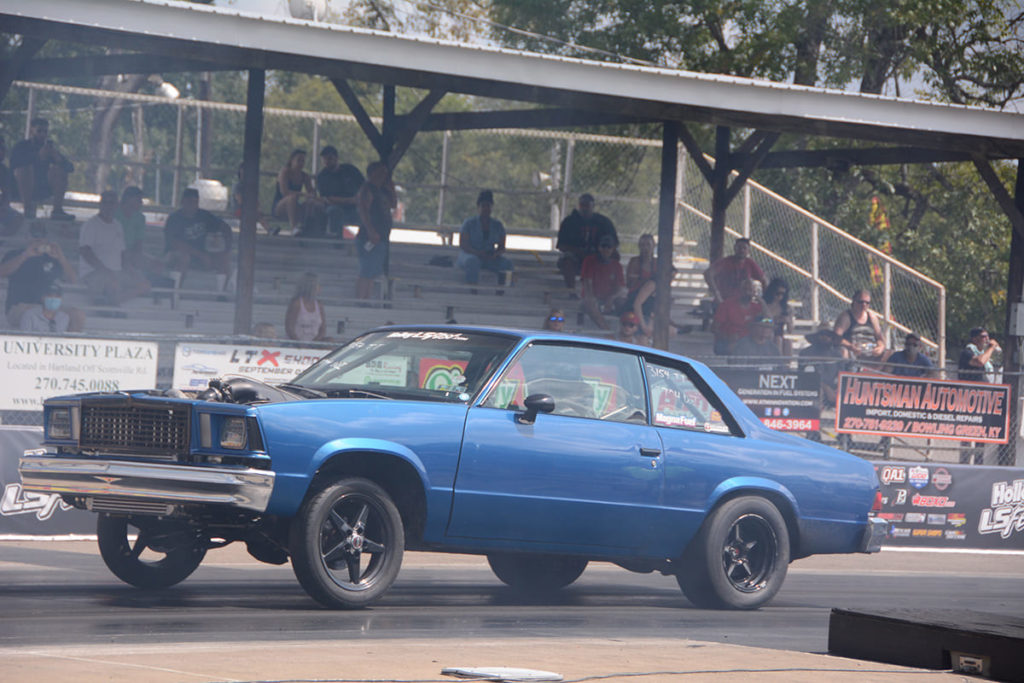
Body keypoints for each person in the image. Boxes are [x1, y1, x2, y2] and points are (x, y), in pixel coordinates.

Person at [0, 225, 83, 330]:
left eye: (41, 236)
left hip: (49, 306)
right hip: (20, 307)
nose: (38, 239)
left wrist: (61, 257)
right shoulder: (14, 254)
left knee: (77, 315)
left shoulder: (53, 258)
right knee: (33, 313)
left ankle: (68, 344)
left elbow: (73, 280)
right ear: (26, 237)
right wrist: (25, 255)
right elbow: (2, 272)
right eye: (34, 236)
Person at [79, 189, 150, 305]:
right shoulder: (90, 225)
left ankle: (112, 303)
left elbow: (123, 253)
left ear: (117, 205)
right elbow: (85, 252)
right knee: (113, 283)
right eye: (105, 203)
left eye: (112, 203)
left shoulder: (118, 225)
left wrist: (131, 271)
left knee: (144, 284)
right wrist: (105, 271)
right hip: (94, 273)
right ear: (100, 205)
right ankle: (112, 308)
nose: (109, 206)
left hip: (117, 272)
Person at [164, 187, 234, 295]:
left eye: (195, 202)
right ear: (183, 202)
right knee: (184, 257)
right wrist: (201, 255)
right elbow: (175, 243)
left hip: (200, 256)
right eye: (189, 201)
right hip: (174, 255)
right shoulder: (174, 218)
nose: (192, 205)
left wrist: (227, 249)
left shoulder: (204, 216)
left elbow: (226, 228)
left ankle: (221, 294)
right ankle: (175, 292)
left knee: (224, 259)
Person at [10, 117, 74, 222]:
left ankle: (57, 210)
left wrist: (58, 159)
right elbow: (15, 165)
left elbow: (70, 168)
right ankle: (28, 210)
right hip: (20, 189)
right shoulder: (21, 146)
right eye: (39, 131)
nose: (42, 134)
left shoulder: (49, 150)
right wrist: (37, 157)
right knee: (24, 170)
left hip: (42, 189)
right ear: (32, 130)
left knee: (59, 170)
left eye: (45, 131)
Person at [556, 193, 618, 293]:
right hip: (576, 258)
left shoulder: (604, 222)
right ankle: (571, 292)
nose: (584, 208)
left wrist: (601, 252)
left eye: (587, 206)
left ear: (593, 206)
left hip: (599, 258)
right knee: (567, 260)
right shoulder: (569, 222)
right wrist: (579, 252)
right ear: (578, 206)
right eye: (582, 205)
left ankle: (607, 292)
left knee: (615, 256)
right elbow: (561, 246)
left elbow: (614, 244)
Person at [355, 161, 396, 300]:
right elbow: (363, 211)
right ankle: (361, 298)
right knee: (366, 269)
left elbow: (393, 204)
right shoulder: (367, 189)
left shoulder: (383, 190)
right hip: (369, 236)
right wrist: (371, 230)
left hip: (382, 236)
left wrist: (391, 189)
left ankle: (367, 297)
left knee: (373, 271)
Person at [456, 190, 513, 287]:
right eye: (483, 206)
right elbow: (463, 245)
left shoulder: (497, 225)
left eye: (488, 206)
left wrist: (495, 254)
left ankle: (503, 290)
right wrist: (477, 253)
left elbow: (502, 247)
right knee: (472, 262)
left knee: (507, 264)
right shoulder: (469, 223)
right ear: (478, 207)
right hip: (470, 254)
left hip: (489, 257)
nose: (486, 209)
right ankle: (472, 290)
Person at [316, 146, 364, 237]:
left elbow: (364, 186)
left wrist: (359, 199)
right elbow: (328, 198)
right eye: (324, 159)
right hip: (334, 207)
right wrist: (350, 200)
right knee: (334, 211)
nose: (327, 161)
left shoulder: (350, 170)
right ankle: (336, 240)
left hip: (355, 207)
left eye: (329, 158)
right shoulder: (322, 176)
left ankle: (365, 239)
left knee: (366, 212)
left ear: (336, 158)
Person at [580, 235, 626, 330]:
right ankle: (607, 331)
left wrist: (611, 299)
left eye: (608, 247)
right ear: (599, 248)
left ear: (613, 249)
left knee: (622, 301)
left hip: (609, 299)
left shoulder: (617, 265)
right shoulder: (589, 260)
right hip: (592, 297)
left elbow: (620, 287)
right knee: (589, 302)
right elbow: (587, 282)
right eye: (603, 246)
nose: (605, 249)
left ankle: (625, 330)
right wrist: (592, 298)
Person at [703, 238, 766, 304]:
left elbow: (764, 280)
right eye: (739, 247)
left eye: (744, 248)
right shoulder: (726, 261)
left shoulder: (750, 263)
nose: (741, 250)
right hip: (725, 300)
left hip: (743, 303)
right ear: (735, 248)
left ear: (748, 251)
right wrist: (716, 293)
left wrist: (765, 299)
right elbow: (708, 274)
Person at [711, 278, 764, 356]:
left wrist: (761, 301)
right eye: (744, 289)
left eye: (750, 290)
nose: (747, 292)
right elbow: (714, 328)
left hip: (750, 341)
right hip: (727, 342)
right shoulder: (727, 305)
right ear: (739, 290)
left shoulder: (756, 308)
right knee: (738, 347)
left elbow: (768, 320)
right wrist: (727, 336)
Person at [799, 323, 845, 409]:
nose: (825, 337)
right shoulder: (806, 353)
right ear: (816, 336)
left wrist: (836, 388)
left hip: (834, 388)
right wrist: (825, 388)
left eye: (828, 335)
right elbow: (803, 376)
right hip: (812, 389)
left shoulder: (837, 355)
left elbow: (841, 375)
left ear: (832, 337)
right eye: (822, 335)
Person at [272, 149, 317, 235]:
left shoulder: (304, 176)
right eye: (299, 160)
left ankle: (308, 228)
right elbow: (284, 192)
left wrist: (311, 196)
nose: (301, 163)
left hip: (296, 208)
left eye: (303, 161)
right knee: (291, 198)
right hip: (280, 207)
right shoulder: (284, 172)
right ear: (291, 160)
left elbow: (312, 192)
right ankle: (294, 228)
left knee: (311, 202)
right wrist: (302, 194)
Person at [833, 289, 887, 362]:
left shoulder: (872, 317)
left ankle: (876, 372)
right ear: (854, 301)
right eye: (860, 302)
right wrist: (850, 346)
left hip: (871, 352)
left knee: (890, 354)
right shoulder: (846, 317)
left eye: (867, 303)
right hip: (853, 352)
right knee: (843, 352)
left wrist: (880, 347)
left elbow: (880, 339)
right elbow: (835, 337)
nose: (863, 305)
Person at [285, 272, 327, 342]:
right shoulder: (296, 303)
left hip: (315, 343)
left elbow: (323, 329)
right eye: (318, 285)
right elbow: (289, 328)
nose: (320, 287)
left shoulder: (319, 305)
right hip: (296, 343)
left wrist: (314, 343)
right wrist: (299, 343)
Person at [0, 135, 25, 236]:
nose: (2, 152)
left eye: (3, 148)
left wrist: (3, 206)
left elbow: (7, 193)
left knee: (18, 218)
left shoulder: (4, 171)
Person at [763, 277, 793, 354]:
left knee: (787, 342)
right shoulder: (764, 305)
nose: (780, 296)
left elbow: (790, 330)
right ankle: (777, 363)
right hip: (765, 334)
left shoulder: (786, 308)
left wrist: (788, 321)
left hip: (779, 334)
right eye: (777, 293)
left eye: (782, 294)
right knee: (777, 339)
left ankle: (786, 365)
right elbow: (761, 320)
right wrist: (771, 320)